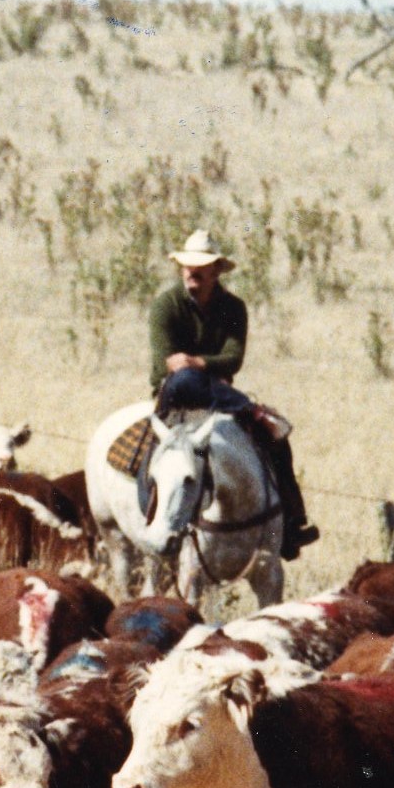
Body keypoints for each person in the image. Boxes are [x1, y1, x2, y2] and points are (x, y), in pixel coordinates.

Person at [148, 229, 315, 559]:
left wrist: (197, 362)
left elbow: (233, 358)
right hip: (177, 392)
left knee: (275, 442)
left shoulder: (233, 307)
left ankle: (290, 522)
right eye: (187, 265)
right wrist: (204, 369)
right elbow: (169, 363)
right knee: (185, 380)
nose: (191, 271)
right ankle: (250, 408)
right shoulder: (165, 305)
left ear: (215, 271)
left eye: (200, 266)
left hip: (216, 392)